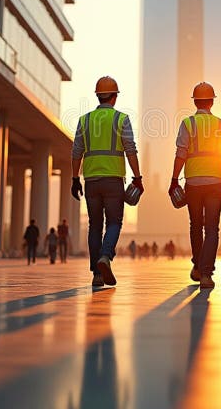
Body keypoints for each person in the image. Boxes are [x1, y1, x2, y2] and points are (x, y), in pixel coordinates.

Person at [71, 76, 143, 287]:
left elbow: (76, 151)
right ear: (114, 97)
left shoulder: (85, 120)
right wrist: (137, 177)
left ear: (98, 96)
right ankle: (105, 256)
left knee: (95, 225)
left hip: (91, 180)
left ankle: (97, 274)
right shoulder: (122, 119)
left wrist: (75, 178)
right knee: (114, 222)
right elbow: (131, 150)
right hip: (113, 180)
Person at [169, 82, 221, 289]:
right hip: (215, 182)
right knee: (212, 228)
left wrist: (173, 179)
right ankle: (206, 273)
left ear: (195, 101)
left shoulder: (187, 124)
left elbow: (181, 153)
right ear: (212, 102)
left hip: (193, 183)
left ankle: (197, 266)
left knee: (195, 226)